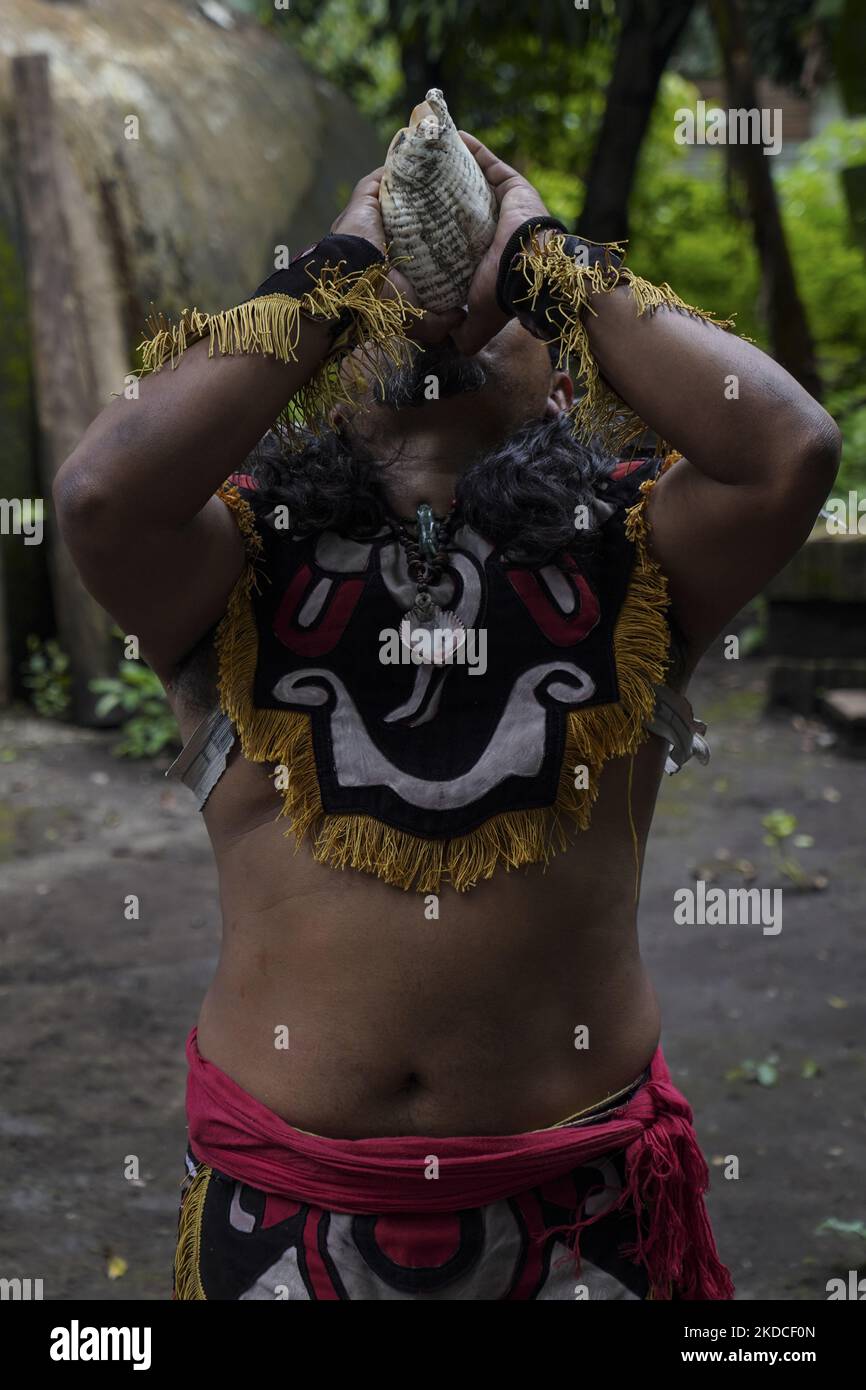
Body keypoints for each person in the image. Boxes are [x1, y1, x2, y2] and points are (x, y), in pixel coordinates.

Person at [55, 134, 840, 1300]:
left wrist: (538, 251)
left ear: (564, 379)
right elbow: (98, 489)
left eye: (497, 312)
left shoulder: (639, 554)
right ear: (325, 368)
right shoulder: (229, 565)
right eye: (389, 313)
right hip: (285, 1214)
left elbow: (792, 448)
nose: (437, 325)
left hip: (578, 1217)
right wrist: (341, 269)